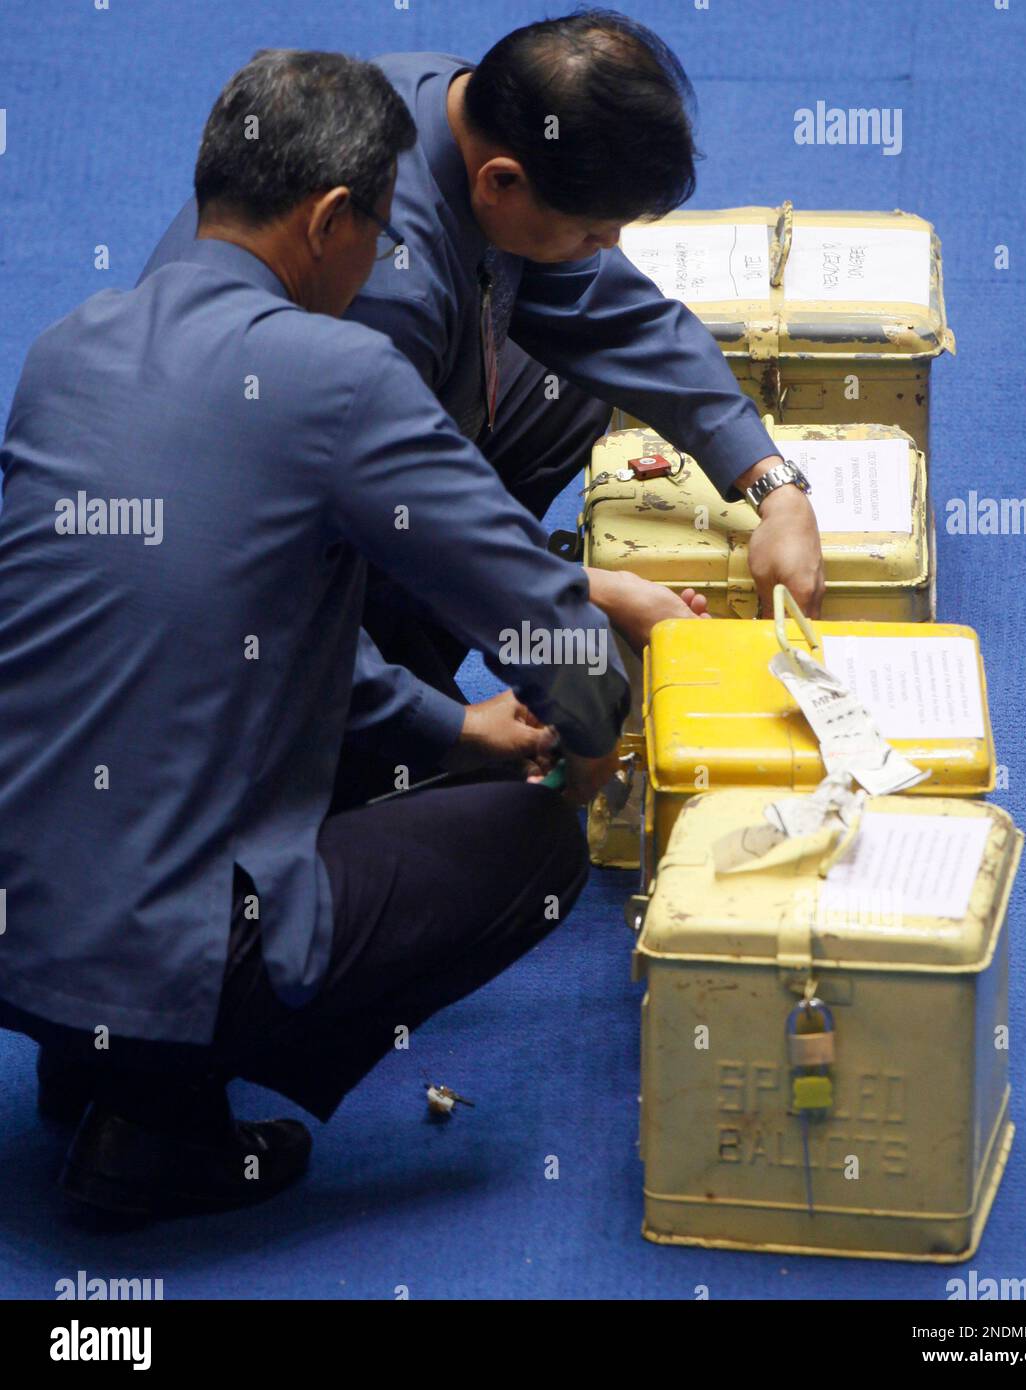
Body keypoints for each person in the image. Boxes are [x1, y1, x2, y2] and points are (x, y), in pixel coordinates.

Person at [0, 50, 629, 1221]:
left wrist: (452, 732)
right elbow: (549, 635)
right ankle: (160, 1119)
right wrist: (602, 718)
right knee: (539, 847)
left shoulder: (67, 346)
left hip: (17, 923)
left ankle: (87, 1053)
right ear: (334, 220)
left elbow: (202, 617)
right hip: (174, 953)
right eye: (382, 232)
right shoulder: (339, 375)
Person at [143, 11, 825, 795]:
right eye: (592, 231)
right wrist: (590, 609)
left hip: (328, 440)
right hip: (266, 566)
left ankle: (433, 637)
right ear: (499, 182)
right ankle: (388, 710)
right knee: (506, 826)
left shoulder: (452, 99)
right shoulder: (381, 296)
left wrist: (772, 485)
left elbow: (612, 314)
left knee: (566, 389)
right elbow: (401, 522)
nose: (605, 249)